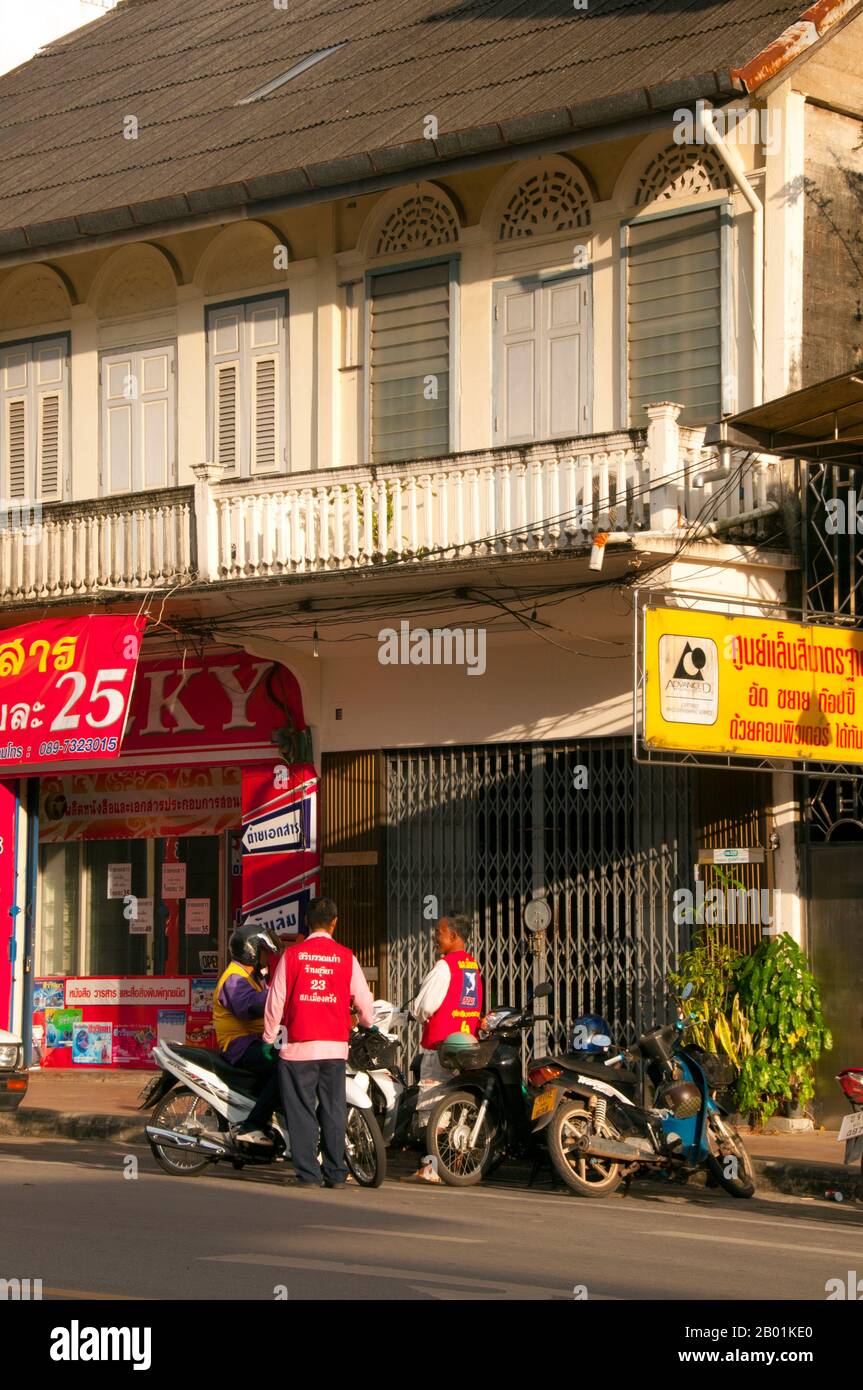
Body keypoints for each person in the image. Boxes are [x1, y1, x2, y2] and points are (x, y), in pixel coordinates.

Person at [263, 896, 374, 1188]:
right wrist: (366, 1023)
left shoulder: (293, 955)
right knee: (333, 1109)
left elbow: (275, 1001)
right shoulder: (346, 957)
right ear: (335, 923)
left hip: (298, 1049)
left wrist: (268, 1036)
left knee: (301, 1111)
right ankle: (336, 1174)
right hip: (335, 1049)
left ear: (306, 922)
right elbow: (364, 1003)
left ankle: (308, 1174)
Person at [409, 914, 484, 1182]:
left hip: (441, 1047)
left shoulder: (445, 967)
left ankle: (431, 1168)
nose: (435, 937)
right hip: (466, 1047)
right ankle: (455, 1164)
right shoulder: (472, 966)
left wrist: (416, 1011)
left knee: (432, 1109)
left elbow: (424, 1007)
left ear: (453, 936)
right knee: (456, 1110)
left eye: (439, 932)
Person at [213, 921, 282, 1146]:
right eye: (263, 952)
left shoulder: (255, 977)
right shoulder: (234, 978)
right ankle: (253, 1126)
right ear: (251, 951)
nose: (266, 957)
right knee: (286, 1067)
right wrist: (281, 995)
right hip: (239, 1045)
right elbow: (248, 1008)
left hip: (256, 1041)